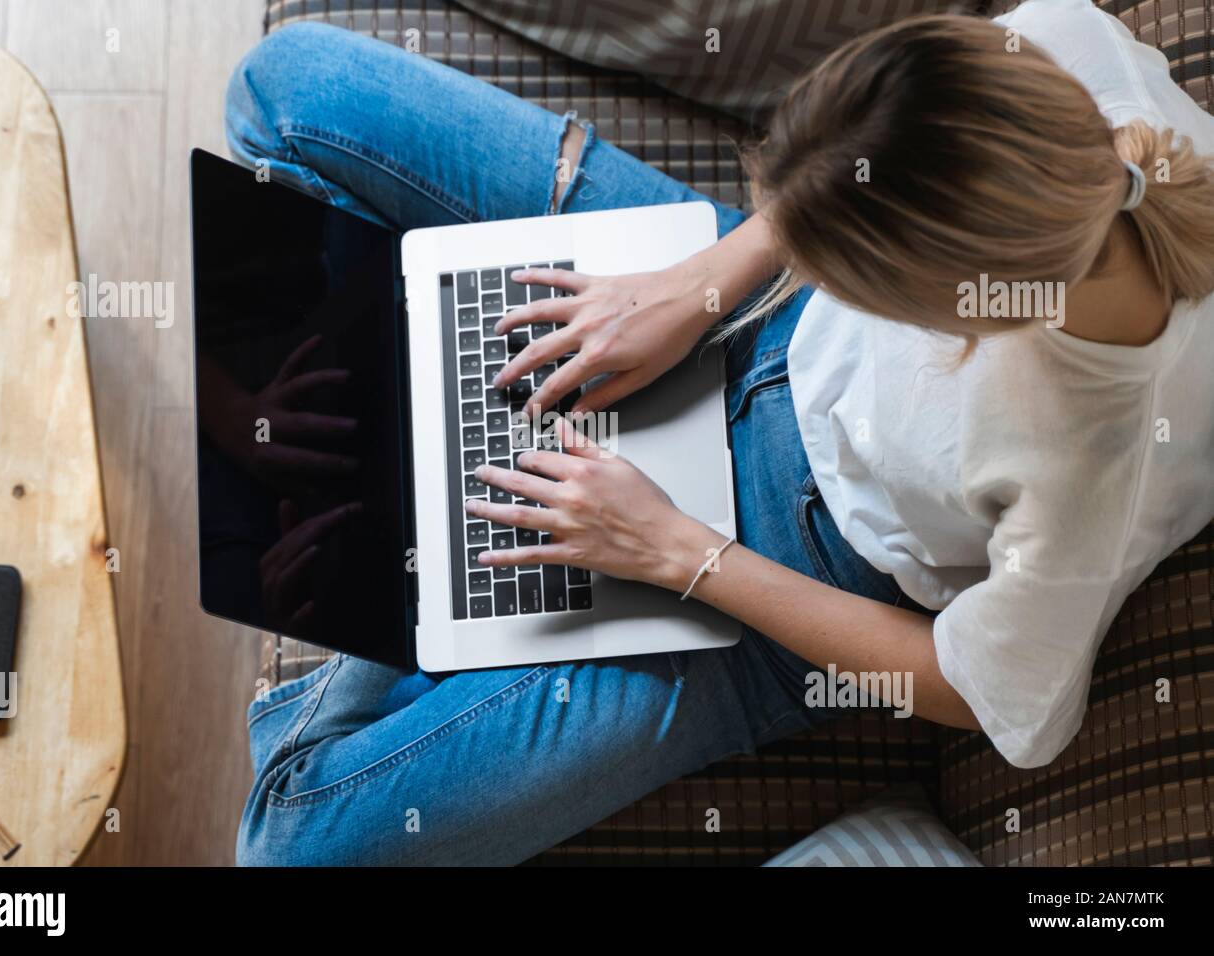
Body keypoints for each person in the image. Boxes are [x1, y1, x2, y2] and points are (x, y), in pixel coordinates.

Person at [222, 0, 1214, 865]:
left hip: (791, 570)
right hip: (751, 316)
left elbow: (996, 702)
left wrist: (679, 553)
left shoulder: (1083, 457)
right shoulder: (1055, 47)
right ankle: (426, 476)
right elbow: (875, 165)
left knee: (293, 843)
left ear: (951, 315)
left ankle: (401, 527)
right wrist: (692, 290)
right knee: (287, 88)